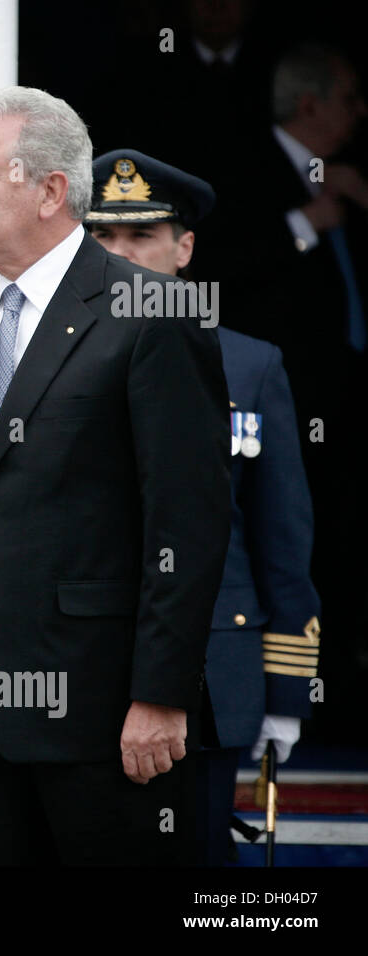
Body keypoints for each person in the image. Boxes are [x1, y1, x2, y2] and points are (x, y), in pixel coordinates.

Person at [0, 87, 231, 865]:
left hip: (108, 724)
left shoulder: (154, 312)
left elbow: (187, 525)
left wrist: (161, 694)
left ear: (48, 191)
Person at [86, 148, 321, 865]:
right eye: (102, 236)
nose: (120, 254)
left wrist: (287, 691)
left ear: (184, 248)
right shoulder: (44, 357)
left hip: (211, 677)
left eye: (141, 236)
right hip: (75, 673)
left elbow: (281, 539)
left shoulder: (249, 364)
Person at [191, 43, 368, 742]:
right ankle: (297, 692)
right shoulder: (240, 164)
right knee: (284, 539)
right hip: (265, 397)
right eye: (350, 99)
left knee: (331, 544)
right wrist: (302, 226)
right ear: (310, 103)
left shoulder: (342, 176)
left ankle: (330, 692)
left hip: (339, 400)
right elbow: (217, 267)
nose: (361, 112)